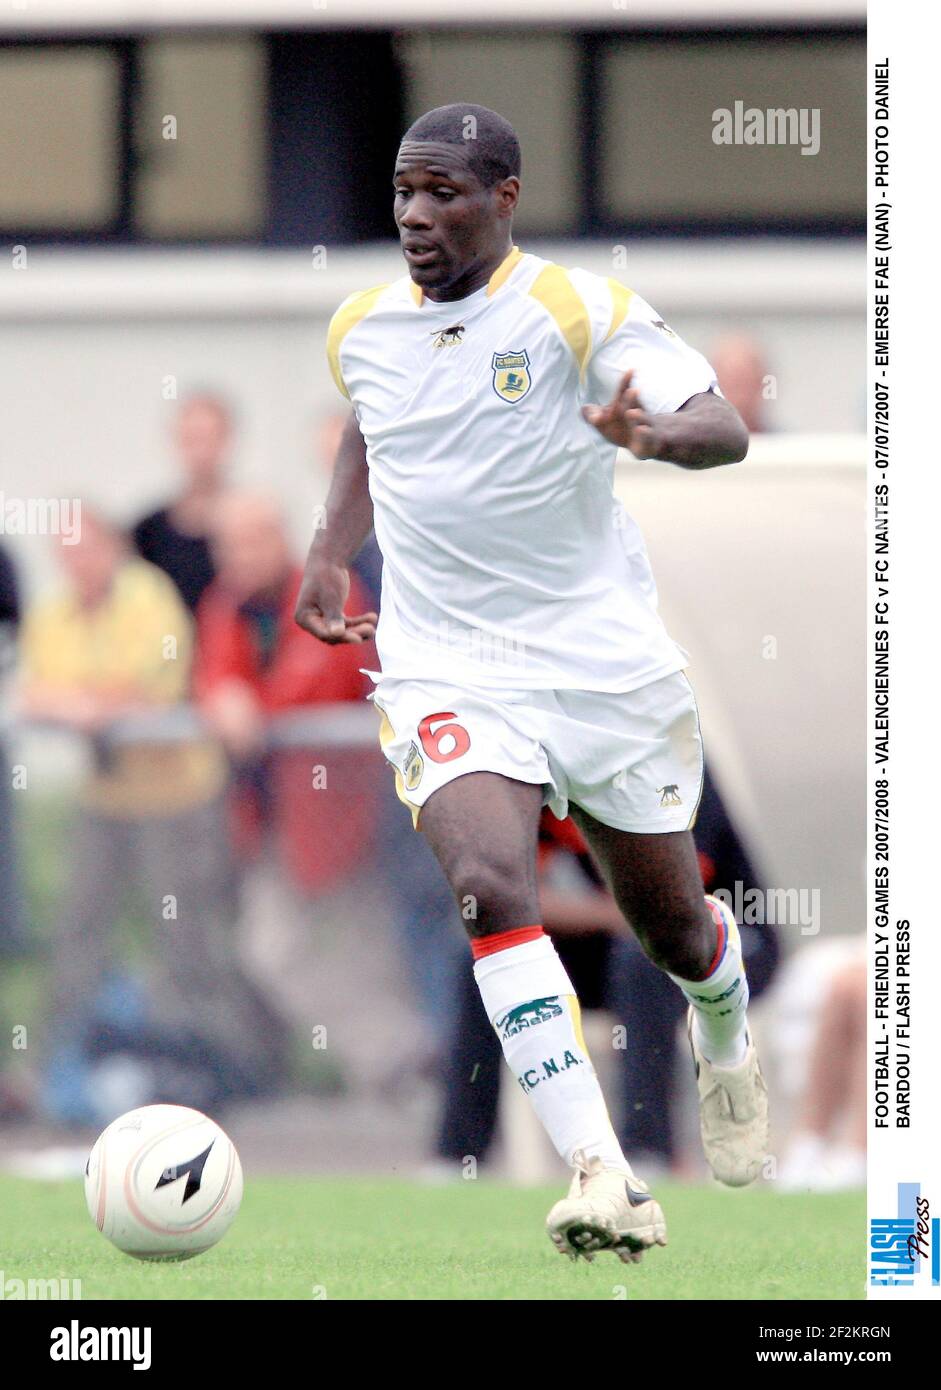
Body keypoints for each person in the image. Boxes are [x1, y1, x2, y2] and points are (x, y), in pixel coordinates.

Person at [295, 104, 764, 1265]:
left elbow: (721, 424)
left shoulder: (577, 309)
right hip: (446, 662)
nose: (414, 214)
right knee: (487, 881)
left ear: (503, 196)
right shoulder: (362, 324)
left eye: (444, 192)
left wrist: (651, 438)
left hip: (596, 663)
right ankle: (601, 1172)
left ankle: (723, 1018)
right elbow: (372, 428)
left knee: (670, 929)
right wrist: (326, 549)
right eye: (403, 191)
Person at [18, 510, 285, 1121]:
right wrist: (87, 703)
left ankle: (226, 1071)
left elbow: (148, 692)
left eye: (84, 548)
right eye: (65, 551)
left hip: (176, 800)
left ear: (109, 546)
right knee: (77, 929)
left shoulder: (148, 597)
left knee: (189, 939)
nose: (75, 562)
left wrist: (87, 703)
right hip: (107, 799)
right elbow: (35, 692)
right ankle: (55, 1076)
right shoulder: (55, 611)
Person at [133, 392, 233, 612]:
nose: (201, 452)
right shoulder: (147, 532)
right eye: (191, 439)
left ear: (227, 440)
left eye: (209, 438)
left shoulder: (254, 529)